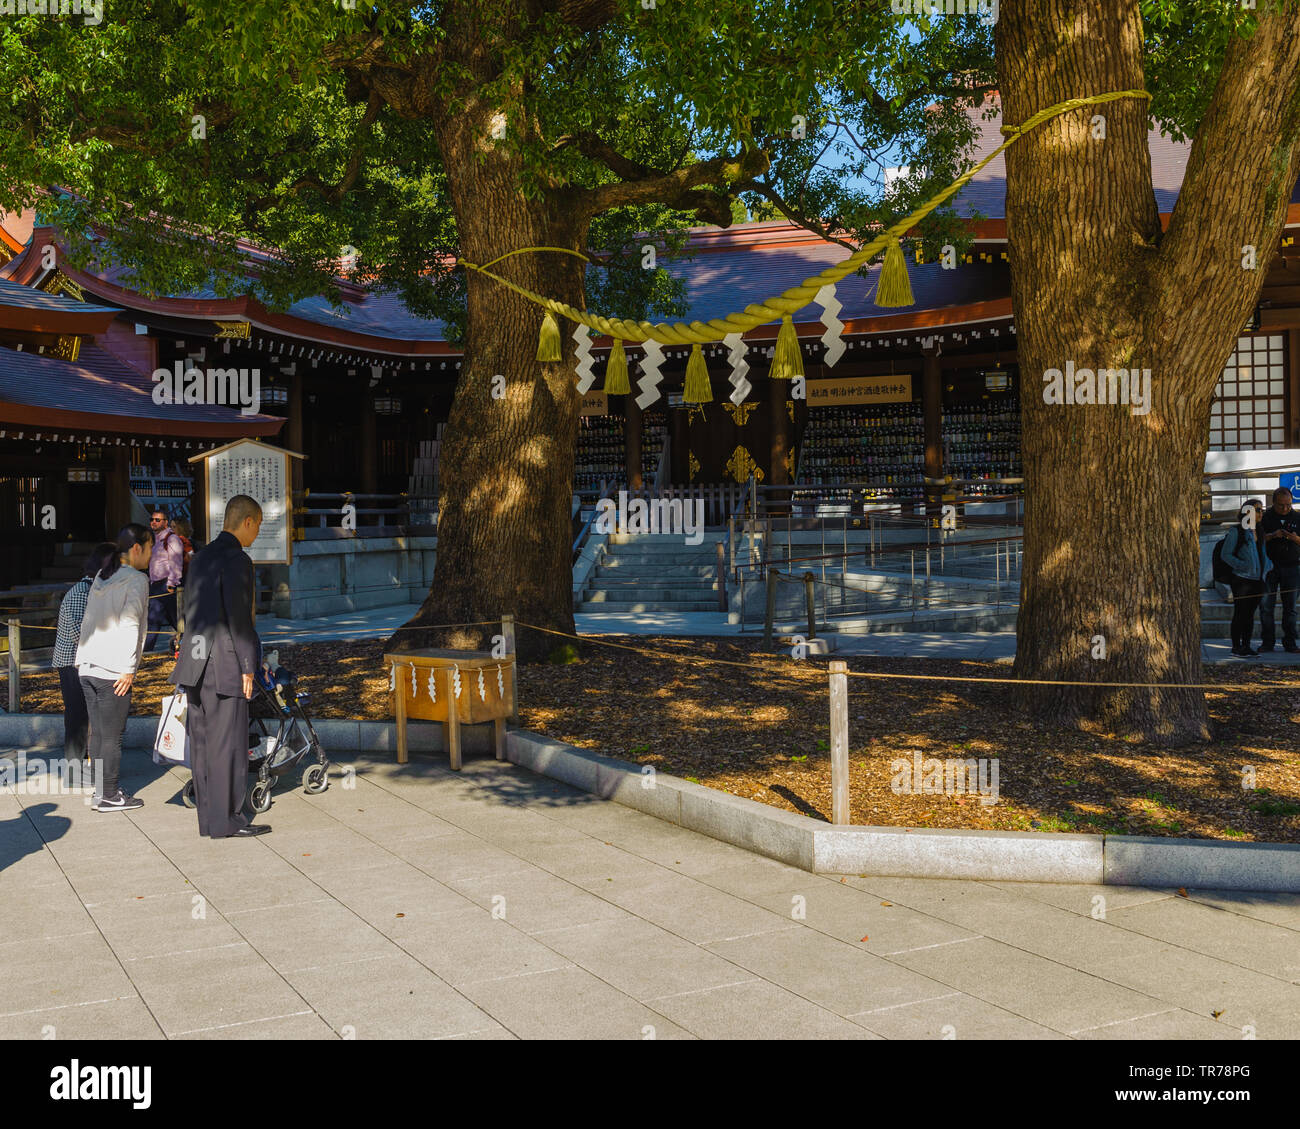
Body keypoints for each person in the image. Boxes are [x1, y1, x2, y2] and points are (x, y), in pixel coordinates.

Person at [170, 495, 267, 838]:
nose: (256, 534)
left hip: (194, 659)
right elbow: (239, 617)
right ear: (248, 522)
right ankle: (227, 820)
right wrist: (247, 665)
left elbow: (190, 611)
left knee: (202, 742)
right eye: (257, 526)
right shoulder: (237, 559)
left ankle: (208, 820)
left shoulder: (200, 557)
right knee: (228, 741)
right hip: (225, 660)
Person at [75, 524, 153, 811]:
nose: (151, 554)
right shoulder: (136, 579)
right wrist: (128, 668)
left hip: (88, 663)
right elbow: (131, 623)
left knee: (98, 732)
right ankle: (108, 794)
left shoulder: (103, 574)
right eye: (151, 547)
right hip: (113, 667)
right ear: (137, 548)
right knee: (112, 735)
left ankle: (100, 790)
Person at [51, 542, 117, 766]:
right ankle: (74, 764)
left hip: (81, 661)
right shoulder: (82, 592)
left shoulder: (92, 591)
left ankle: (81, 761)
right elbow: (80, 634)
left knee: (83, 714)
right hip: (72, 662)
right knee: (77, 715)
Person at [1221, 499, 1268, 658]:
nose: (1261, 513)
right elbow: (1225, 554)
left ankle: (1246, 645)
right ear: (1247, 512)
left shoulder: (1260, 530)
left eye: (1262, 510)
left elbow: (1262, 553)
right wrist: (1242, 565)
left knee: (1250, 614)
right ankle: (1236, 646)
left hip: (1258, 579)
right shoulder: (1237, 531)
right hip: (1241, 579)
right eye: (1258, 510)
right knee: (1240, 613)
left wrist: (1267, 568)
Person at [1258, 486, 1300, 652]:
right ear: (1273, 503)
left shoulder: (1297, 517)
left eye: (1288, 505)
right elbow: (1256, 539)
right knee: (1266, 606)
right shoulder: (1265, 517)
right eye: (1281, 505)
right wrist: (1272, 535)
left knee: (1290, 608)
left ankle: (1290, 642)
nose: (1285, 508)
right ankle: (1267, 642)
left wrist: (1295, 538)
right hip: (1269, 566)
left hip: (1292, 566)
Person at [144, 506, 184, 652]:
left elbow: (176, 561)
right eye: (152, 519)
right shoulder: (156, 540)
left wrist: (172, 583)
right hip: (156, 583)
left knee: (153, 618)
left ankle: (146, 651)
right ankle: (189, 641)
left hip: (166, 583)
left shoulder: (171, 539)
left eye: (157, 520)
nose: (153, 522)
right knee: (174, 618)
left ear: (165, 522)